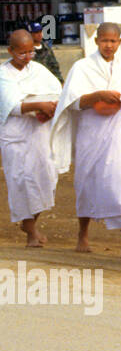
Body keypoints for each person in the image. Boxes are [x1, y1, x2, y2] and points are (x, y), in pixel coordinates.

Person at [51, 22, 121, 258]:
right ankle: (83, 235)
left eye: (113, 41)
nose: (109, 45)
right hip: (91, 131)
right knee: (86, 181)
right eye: (105, 40)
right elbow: (73, 102)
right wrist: (98, 95)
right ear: (96, 41)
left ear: (119, 42)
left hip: (118, 131)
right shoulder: (82, 67)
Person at [0, 29, 61, 247]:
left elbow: (57, 90)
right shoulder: (3, 74)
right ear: (10, 51)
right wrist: (37, 105)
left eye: (30, 53)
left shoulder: (38, 70)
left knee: (47, 176)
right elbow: (11, 105)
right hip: (16, 135)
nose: (27, 57)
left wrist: (49, 109)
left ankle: (31, 223)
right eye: (21, 53)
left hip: (39, 132)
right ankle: (31, 231)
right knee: (22, 181)